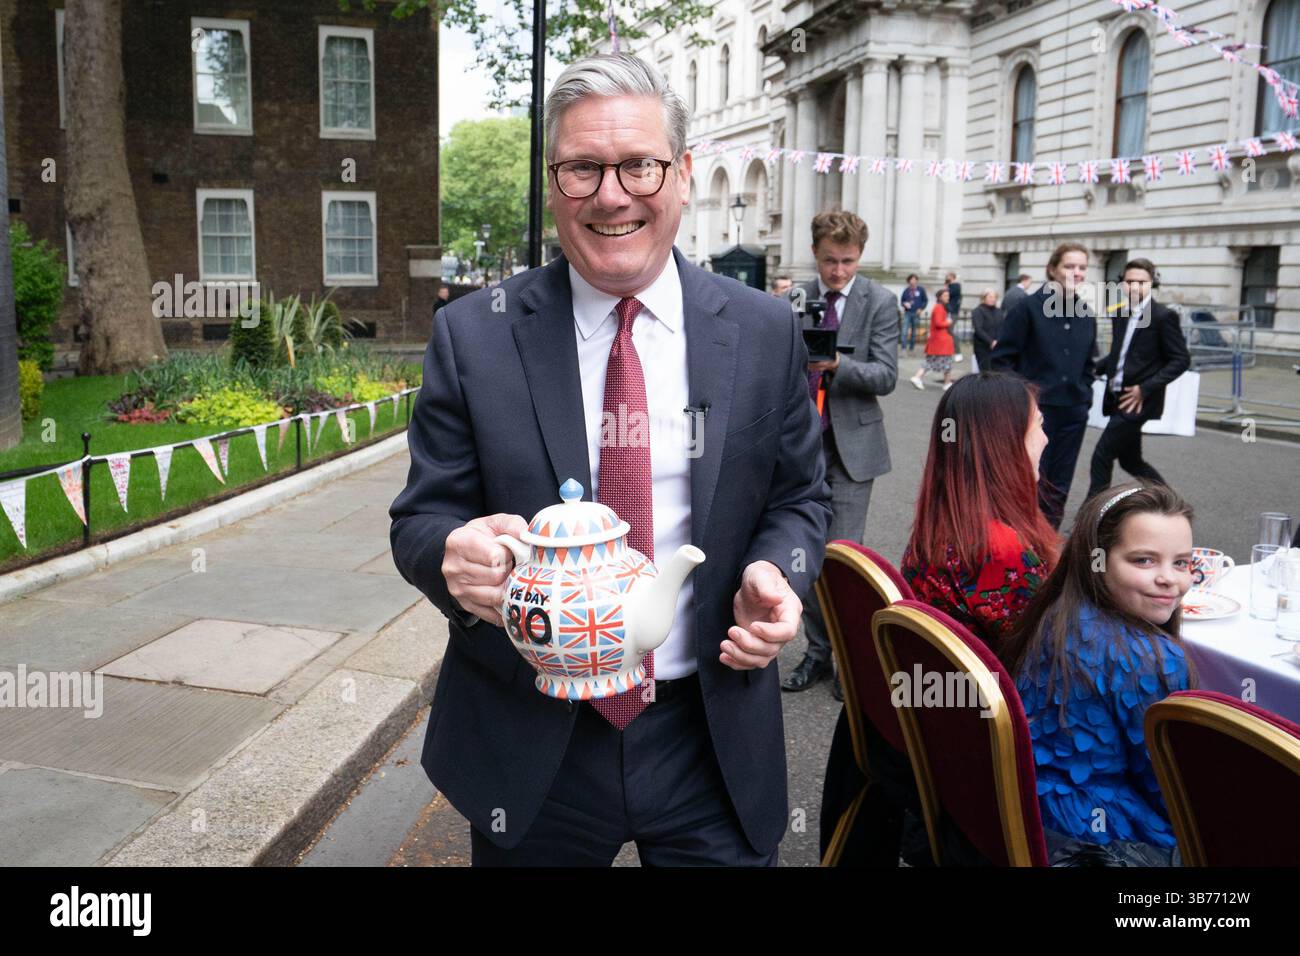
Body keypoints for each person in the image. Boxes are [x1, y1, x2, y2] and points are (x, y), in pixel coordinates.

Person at [389, 52, 832, 867]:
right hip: (531, 745)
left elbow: (801, 496)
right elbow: (420, 519)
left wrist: (780, 573)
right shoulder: (474, 334)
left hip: (710, 737)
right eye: (583, 168)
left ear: (684, 174)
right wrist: (448, 559)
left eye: (638, 165)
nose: (612, 194)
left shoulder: (766, 330)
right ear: (554, 183)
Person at [1002, 482, 1196, 866]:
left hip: (1026, 809)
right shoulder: (1150, 658)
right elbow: (1167, 787)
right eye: (1143, 560)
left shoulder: (1060, 612)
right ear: (1098, 561)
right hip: (1090, 842)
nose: (1169, 579)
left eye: (1182, 562)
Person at [780, 212, 899, 698]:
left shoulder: (881, 301)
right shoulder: (796, 297)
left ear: (860, 256)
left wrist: (837, 365)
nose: (838, 271)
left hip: (853, 448)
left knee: (842, 559)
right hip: (803, 445)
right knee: (803, 554)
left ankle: (847, 656)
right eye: (830, 260)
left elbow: (886, 376)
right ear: (815, 253)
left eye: (847, 261)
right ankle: (816, 652)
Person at [901, 371, 1059, 650]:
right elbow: (1051, 651)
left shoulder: (949, 520)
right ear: (1003, 441)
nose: (1046, 439)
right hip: (997, 689)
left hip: (942, 688)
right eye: (1039, 424)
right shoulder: (999, 550)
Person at [991, 242, 1098, 530]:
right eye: (1069, 266)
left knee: (1059, 485)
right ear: (1052, 269)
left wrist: (1084, 395)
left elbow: (1089, 363)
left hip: (1073, 412)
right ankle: (1020, 547)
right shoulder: (1026, 309)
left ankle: (1046, 546)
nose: (1075, 272)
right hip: (1035, 412)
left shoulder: (1087, 314)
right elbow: (1001, 360)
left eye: (1081, 267)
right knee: (1028, 480)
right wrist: (1023, 401)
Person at [1086, 258, 1191, 499]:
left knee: (1101, 456)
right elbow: (1120, 353)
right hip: (1116, 397)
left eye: (1141, 282)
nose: (1134, 287)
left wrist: (1145, 388)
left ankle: (1090, 518)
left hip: (1137, 401)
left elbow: (1180, 359)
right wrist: (1092, 368)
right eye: (1129, 281)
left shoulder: (1164, 316)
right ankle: (1169, 501)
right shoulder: (1120, 313)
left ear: (1151, 283)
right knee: (1131, 461)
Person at [909, 287, 954, 391]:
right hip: (940, 340)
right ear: (940, 297)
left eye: (948, 296)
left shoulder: (940, 307)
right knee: (938, 362)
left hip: (940, 340)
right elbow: (938, 323)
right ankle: (918, 377)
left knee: (942, 362)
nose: (948, 297)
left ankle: (947, 383)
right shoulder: (938, 308)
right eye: (945, 296)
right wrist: (948, 322)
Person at [970, 289, 1003, 372]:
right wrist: (991, 342)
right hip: (983, 346)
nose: (993, 299)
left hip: (997, 346)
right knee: (985, 372)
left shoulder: (999, 311)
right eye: (990, 297)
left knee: (997, 371)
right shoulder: (978, 311)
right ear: (984, 298)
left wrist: (998, 341)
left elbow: (1003, 327)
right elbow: (978, 329)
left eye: (994, 297)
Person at [899, 274, 927, 354]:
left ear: (917, 281)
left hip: (916, 313)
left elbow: (925, 300)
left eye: (915, 279)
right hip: (908, 313)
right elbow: (902, 301)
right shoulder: (906, 291)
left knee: (914, 332)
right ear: (909, 281)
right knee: (904, 331)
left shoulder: (921, 290)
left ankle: (911, 348)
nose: (913, 281)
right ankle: (904, 348)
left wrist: (921, 308)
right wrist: (904, 304)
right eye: (911, 280)